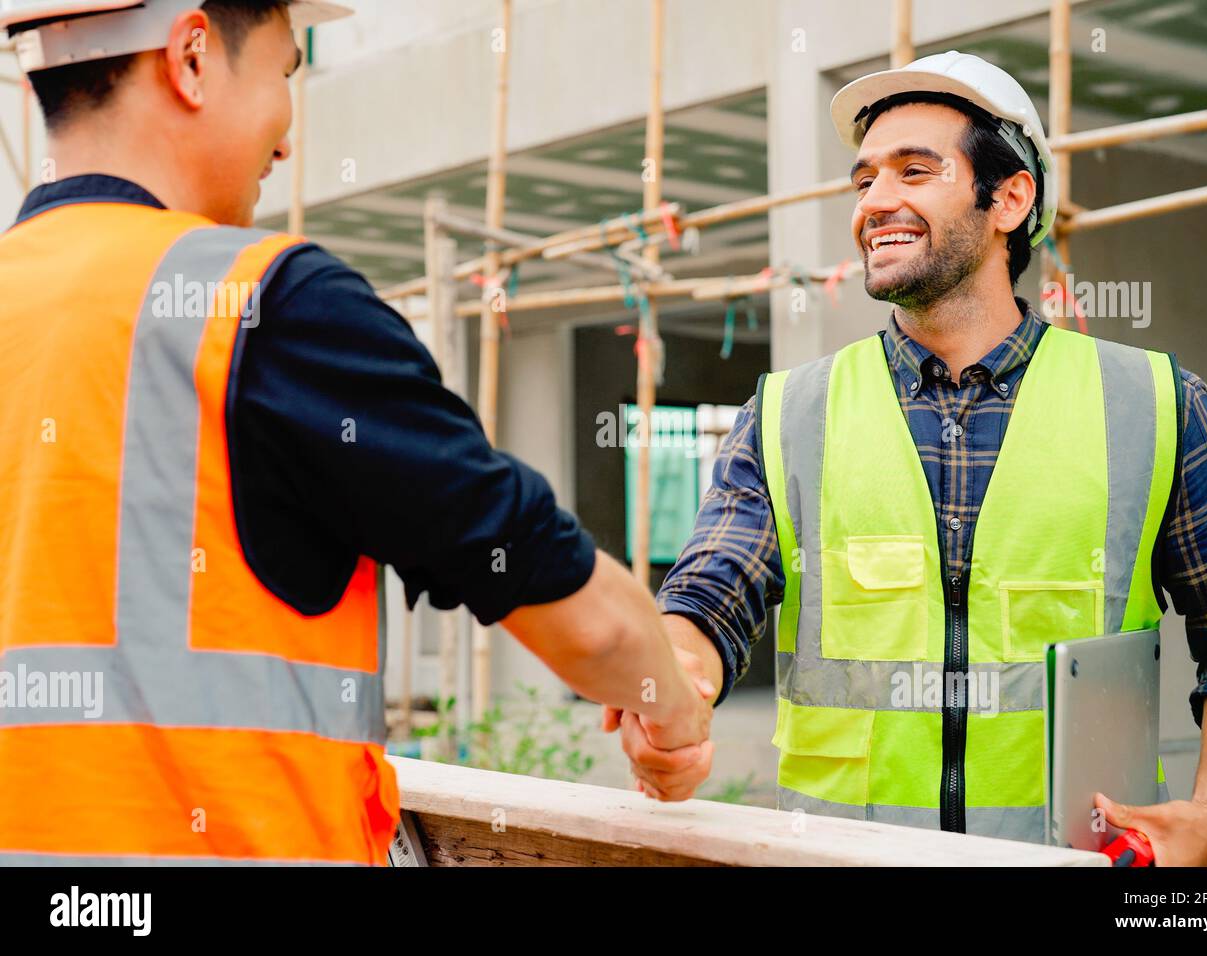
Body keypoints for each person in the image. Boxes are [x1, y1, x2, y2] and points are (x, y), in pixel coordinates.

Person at [0, 0, 712, 865]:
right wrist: (671, 706)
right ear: (192, 57)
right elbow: (571, 607)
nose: (289, 140)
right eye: (284, 72)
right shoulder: (268, 306)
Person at [610, 51, 1207, 866]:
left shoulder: (1153, 405)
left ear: (1010, 198)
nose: (876, 202)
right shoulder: (791, 412)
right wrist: (672, 687)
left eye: (914, 170)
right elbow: (708, 597)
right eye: (864, 180)